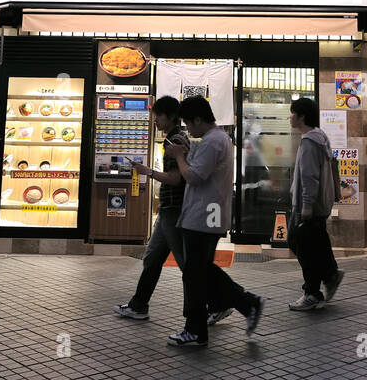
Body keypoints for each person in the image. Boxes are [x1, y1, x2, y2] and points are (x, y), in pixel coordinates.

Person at [165, 95, 264, 348]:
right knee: (201, 270)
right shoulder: (217, 139)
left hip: (202, 216)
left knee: (196, 274)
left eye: (188, 123)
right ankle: (242, 303)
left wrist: (178, 156)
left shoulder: (212, 141)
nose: (187, 128)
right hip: (206, 215)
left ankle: (196, 330)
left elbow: (194, 177)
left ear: (199, 119)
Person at [115, 97, 195, 320]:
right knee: (152, 258)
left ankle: (209, 307)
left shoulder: (174, 141)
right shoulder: (174, 138)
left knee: (187, 265)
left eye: (159, 115)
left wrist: (147, 171)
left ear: (170, 116)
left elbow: (175, 178)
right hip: (168, 209)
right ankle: (138, 305)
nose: (155, 120)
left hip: (175, 209)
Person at [286, 96, 344, 310]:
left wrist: (306, 206)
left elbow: (309, 177)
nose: (290, 117)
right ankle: (330, 274)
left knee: (301, 244)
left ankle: (313, 292)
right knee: (315, 243)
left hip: (308, 205)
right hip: (320, 203)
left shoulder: (310, 141)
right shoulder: (320, 137)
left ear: (302, 116)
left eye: (293, 113)